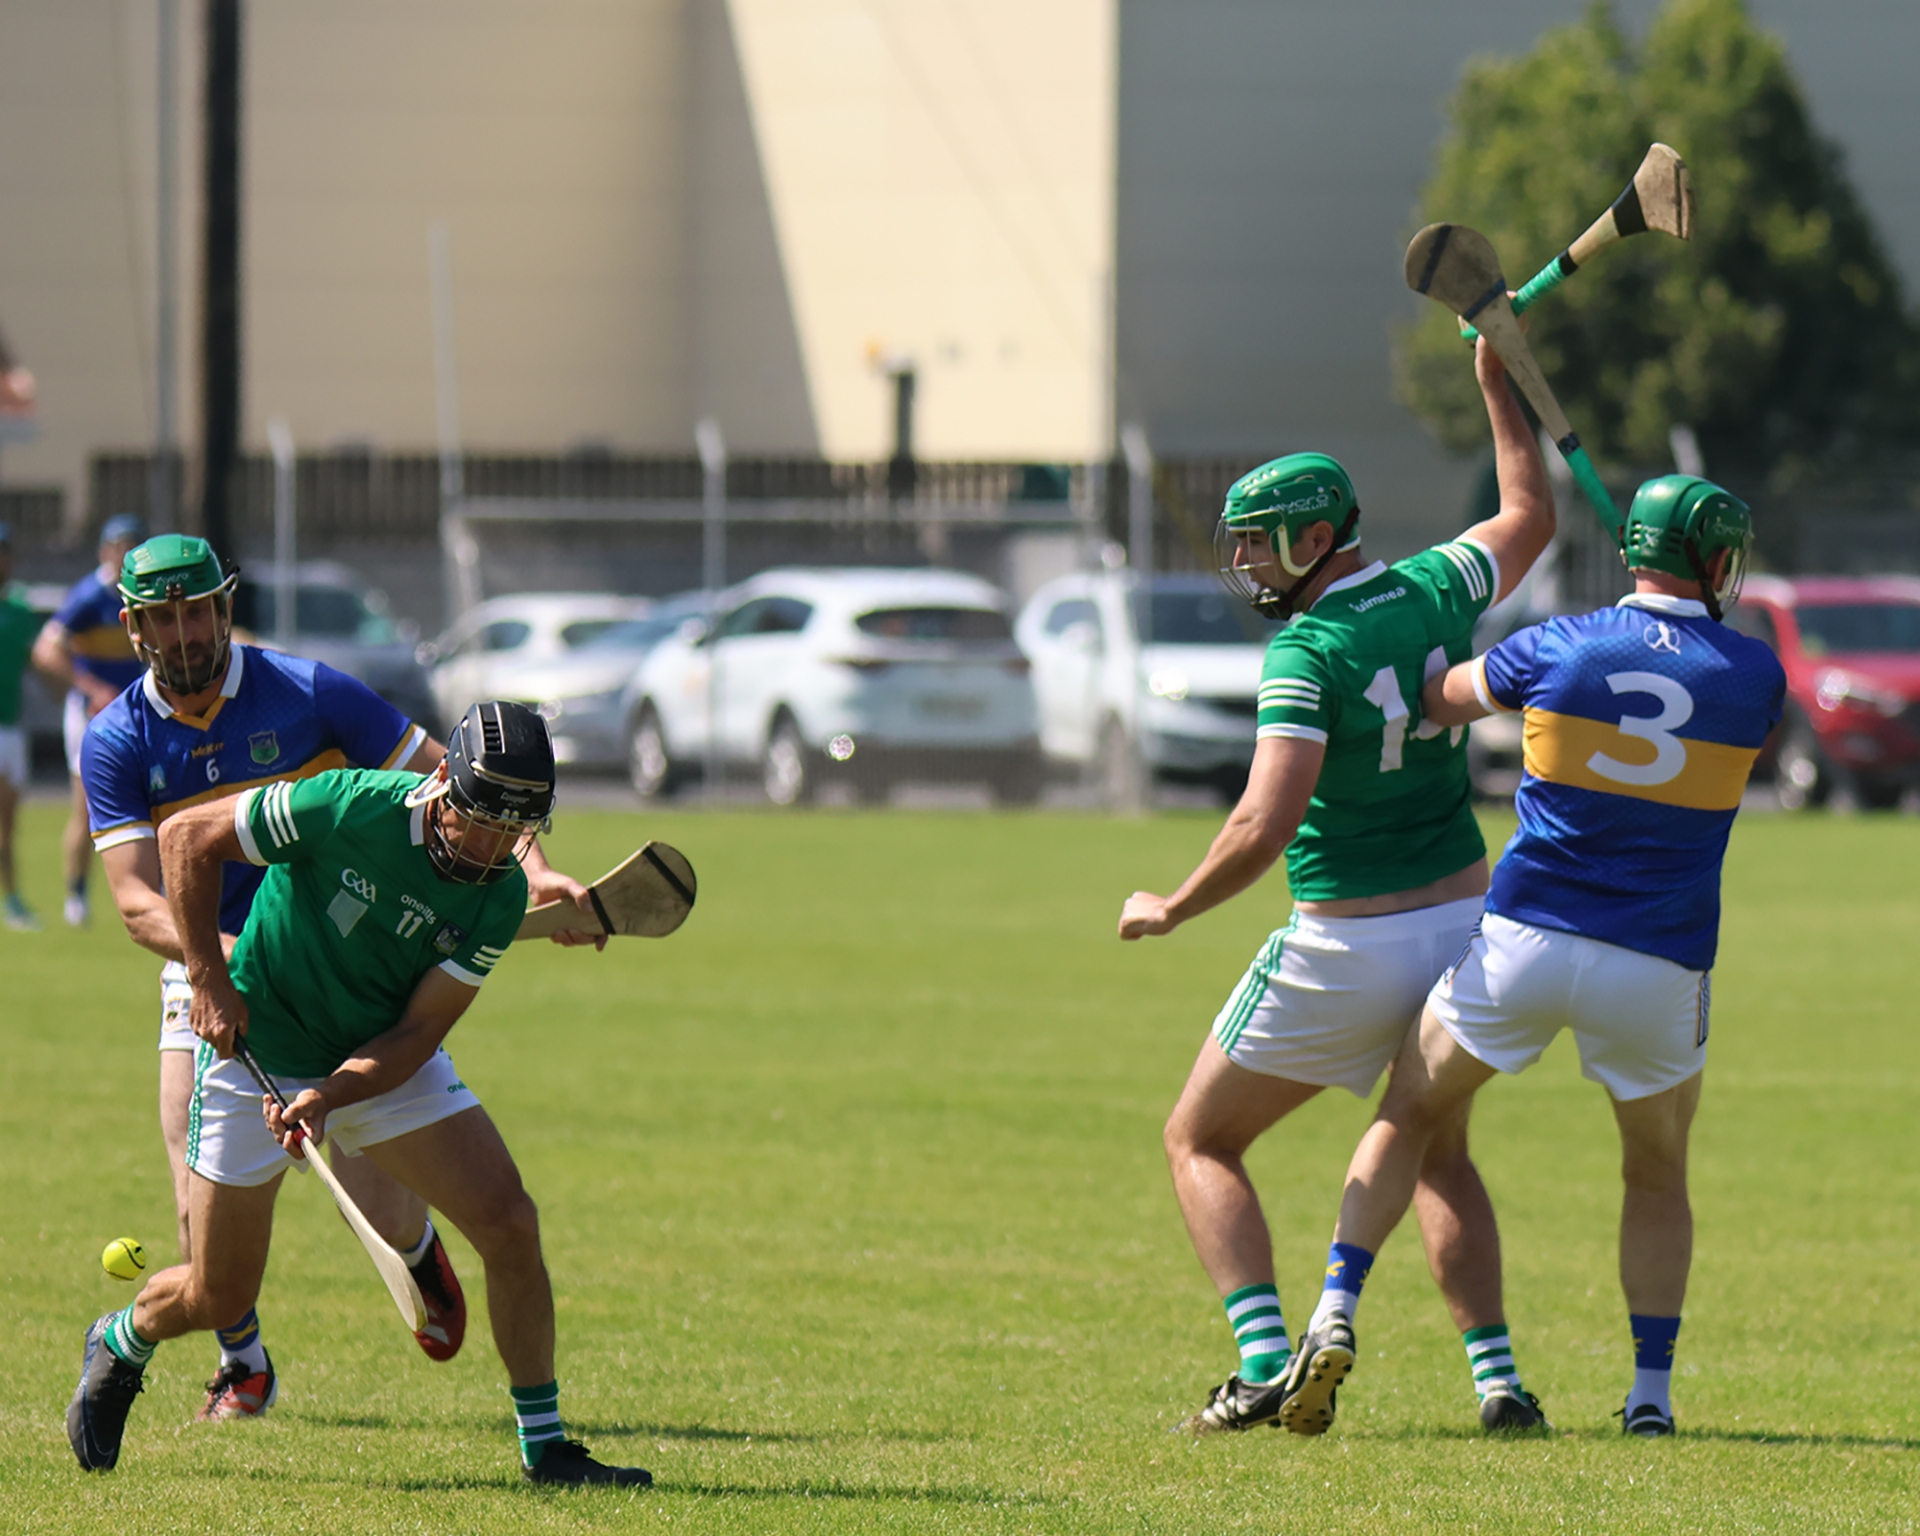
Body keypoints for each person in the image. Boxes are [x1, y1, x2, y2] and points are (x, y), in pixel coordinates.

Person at [1118, 335, 1557, 1438]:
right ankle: (1498, 1385)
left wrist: (1171, 903)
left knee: (1197, 1140)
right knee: (1438, 1145)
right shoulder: (1432, 587)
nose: (1252, 567)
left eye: (1263, 548)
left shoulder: (1305, 654)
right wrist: (1498, 388)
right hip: (1465, 927)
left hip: (1346, 946)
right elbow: (1529, 516)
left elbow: (1265, 820)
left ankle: (1266, 1363)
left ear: (1318, 541)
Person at [78, 533, 601, 1421]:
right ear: (133, 626)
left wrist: (536, 867)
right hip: (205, 968)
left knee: (388, 1208)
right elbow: (136, 903)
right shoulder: (116, 739)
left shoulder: (308, 692)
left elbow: (460, 776)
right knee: (200, 1224)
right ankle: (240, 1365)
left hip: (350, 972)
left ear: (225, 605)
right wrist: (222, 968)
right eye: (163, 617)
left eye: (198, 609)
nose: (185, 630)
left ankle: (419, 1247)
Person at [68, 701, 650, 1487]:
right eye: (479, 817)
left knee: (510, 1222)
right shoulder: (343, 803)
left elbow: (416, 1037)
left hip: (374, 1055)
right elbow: (185, 839)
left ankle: (546, 1447)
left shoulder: (500, 894)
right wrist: (207, 980)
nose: (486, 846)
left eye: (512, 827)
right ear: (441, 780)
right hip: (255, 1047)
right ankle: (122, 1340)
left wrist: (333, 1096)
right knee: (217, 1292)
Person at [1309, 475, 1782, 1437]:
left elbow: (1441, 700)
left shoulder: (1555, 643)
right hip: (1659, 965)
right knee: (1655, 1173)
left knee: (1409, 1112)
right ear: (1720, 562)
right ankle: (1649, 1397)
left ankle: (1335, 1311)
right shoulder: (1755, 674)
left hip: (1524, 943)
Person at [31, 512, 146, 926]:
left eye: (132, 545)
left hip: (136, 712)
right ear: (104, 551)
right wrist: (90, 687)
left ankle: (151, 893)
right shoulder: (89, 596)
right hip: (92, 716)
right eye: (118, 546)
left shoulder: (141, 593)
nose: (124, 553)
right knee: (86, 808)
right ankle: (76, 896)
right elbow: (47, 650)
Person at [0, 521, 45, 929]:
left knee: (8, 825)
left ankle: (11, 899)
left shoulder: (18, 608)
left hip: (11, 726)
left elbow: (35, 659)